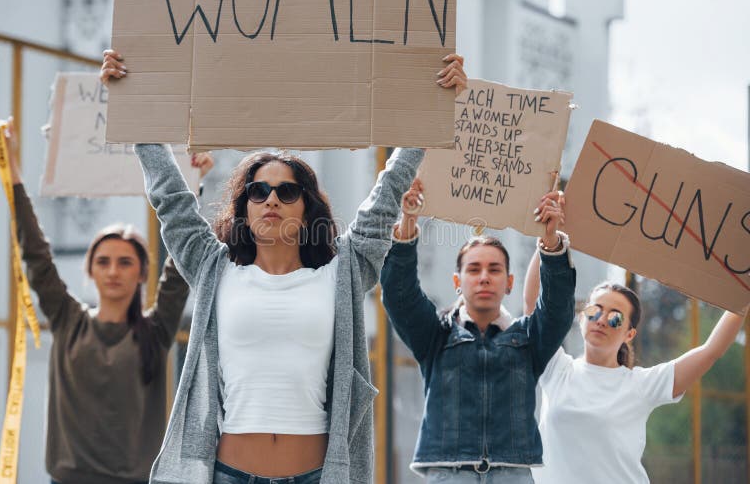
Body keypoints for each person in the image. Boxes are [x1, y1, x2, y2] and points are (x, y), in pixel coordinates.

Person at [100, 50, 468, 483]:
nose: (271, 199)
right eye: (258, 191)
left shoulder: (342, 272)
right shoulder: (213, 268)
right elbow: (171, 200)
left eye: (287, 192)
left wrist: (432, 107)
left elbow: (387, 194)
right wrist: (134, 100)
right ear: (244, 207)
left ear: (307, 209)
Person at [0, 117, 212, 484]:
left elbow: (180, 263)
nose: (113, 271)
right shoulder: (68, 319)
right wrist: (12, 170)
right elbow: (36, 253)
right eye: (103, 262)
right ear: (91, 270)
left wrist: (195, 184)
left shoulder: (156, 330)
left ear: (141, 273)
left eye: (125, 262)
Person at [378, 178, 576, 483]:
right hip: (449, 475)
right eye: (473, 269)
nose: (484, 277)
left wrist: (551, 242)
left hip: (513, 475)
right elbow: (398, 293)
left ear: (509, 283)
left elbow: (558, 308)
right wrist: (407, 223)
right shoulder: (435, 336)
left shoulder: (528, 339)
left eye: (494, 269)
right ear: (457, 282)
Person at [523, 266, 747, 483]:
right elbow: (531, 304)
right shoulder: (556, 368)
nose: (601, 320)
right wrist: (546, 245)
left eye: (615, 318)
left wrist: (744, 292)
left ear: (629, 334)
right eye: (594, 311)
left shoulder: (640, 385)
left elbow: (711, 351)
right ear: (582, 317)